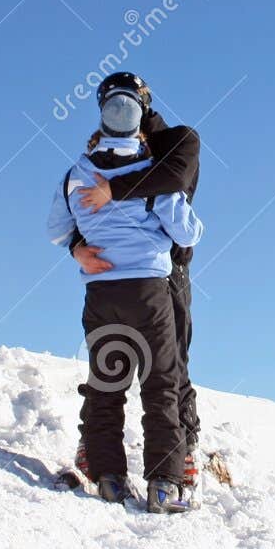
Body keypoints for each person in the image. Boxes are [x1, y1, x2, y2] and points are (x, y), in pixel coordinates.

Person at [47, 79, 203, 512]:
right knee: (160, 384)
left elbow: (55, 231)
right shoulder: (152, 173)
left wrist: (79, 246)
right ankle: (163, 485)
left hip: (100, 293)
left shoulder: (76, 174)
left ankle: (109, 477)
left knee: (106, 383)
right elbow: (187, 231)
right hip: (150, 293)